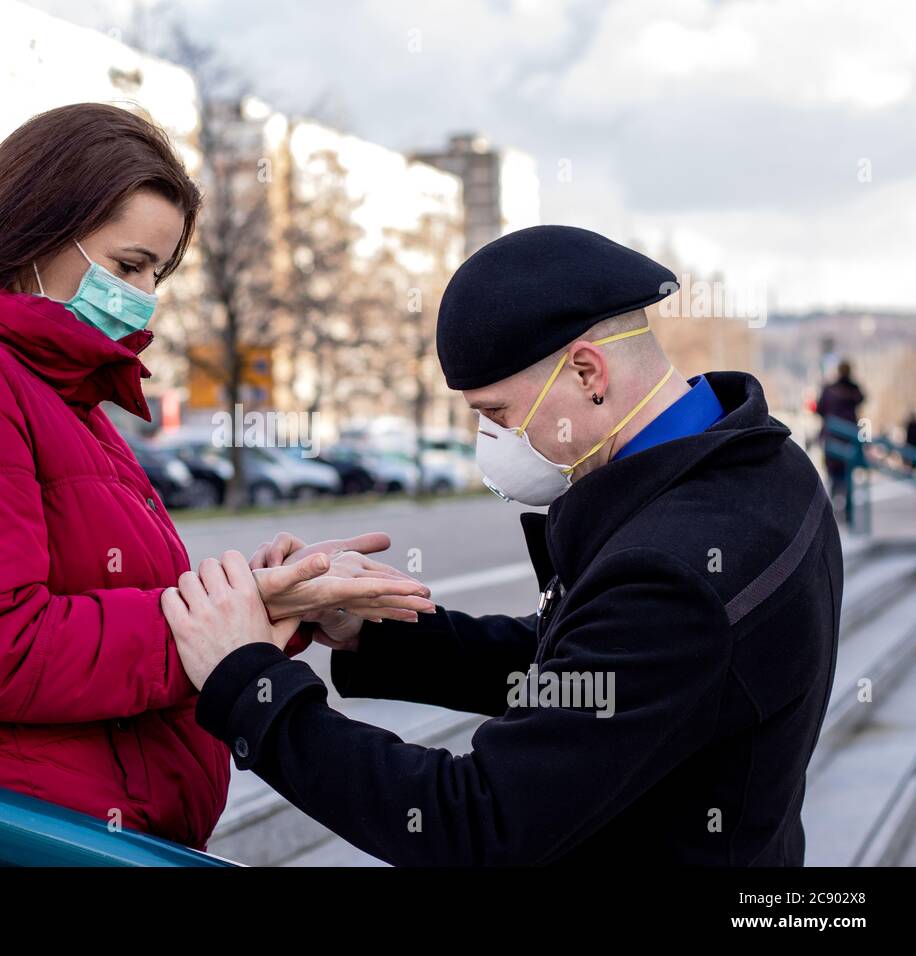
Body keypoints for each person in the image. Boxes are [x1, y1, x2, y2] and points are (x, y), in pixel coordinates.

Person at [0, 103, 431, 866]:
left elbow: (112, 613)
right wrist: (239, 611)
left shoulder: (65, 397)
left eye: (158, 272)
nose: (145, 294)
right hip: (9, 841)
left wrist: (281, 600)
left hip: (87, 838)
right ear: (35, 231)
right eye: (128, 265)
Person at [163, 225, 842, 866]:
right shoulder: (760, 465)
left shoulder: (673, 571)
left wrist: (250, 684)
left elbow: (478, 823)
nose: (492, 441)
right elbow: (594, 673)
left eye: (496, 413)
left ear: (587, 374)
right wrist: (374, 630)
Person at [815, 360, 866, 523]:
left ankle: (832, 512)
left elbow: (819, 409)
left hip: (831, 437)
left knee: (833, 476)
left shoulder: (829, 390)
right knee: (847, 475)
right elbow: (862, 399)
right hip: (849, 437)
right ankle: (848, 513)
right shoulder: (854, 390)